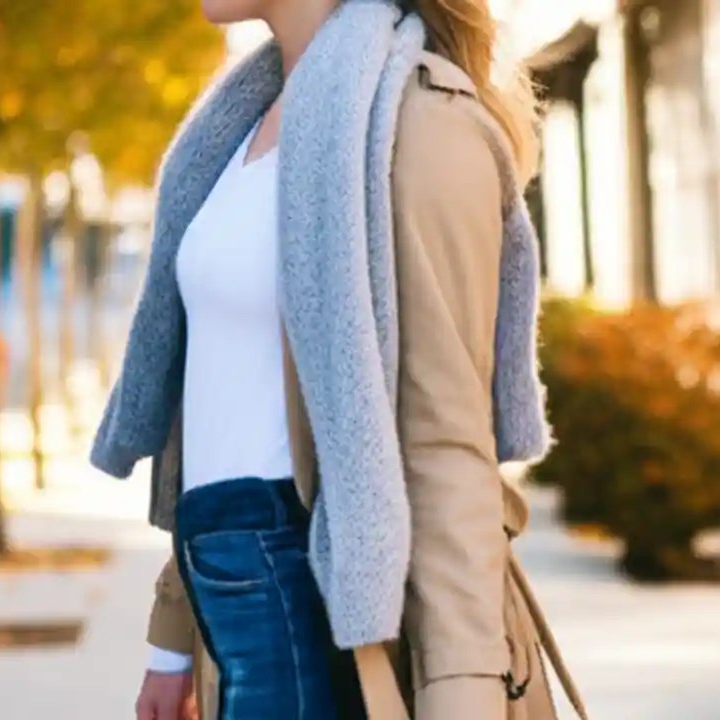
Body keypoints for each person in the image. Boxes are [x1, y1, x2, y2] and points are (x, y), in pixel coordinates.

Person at [91, 0, 588, 717]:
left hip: (323, 625)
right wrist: (172, 638)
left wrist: (464, 690)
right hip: (231, 612)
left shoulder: (422, 126)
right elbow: (225, 397)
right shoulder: (234, 130)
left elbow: (447, 450)